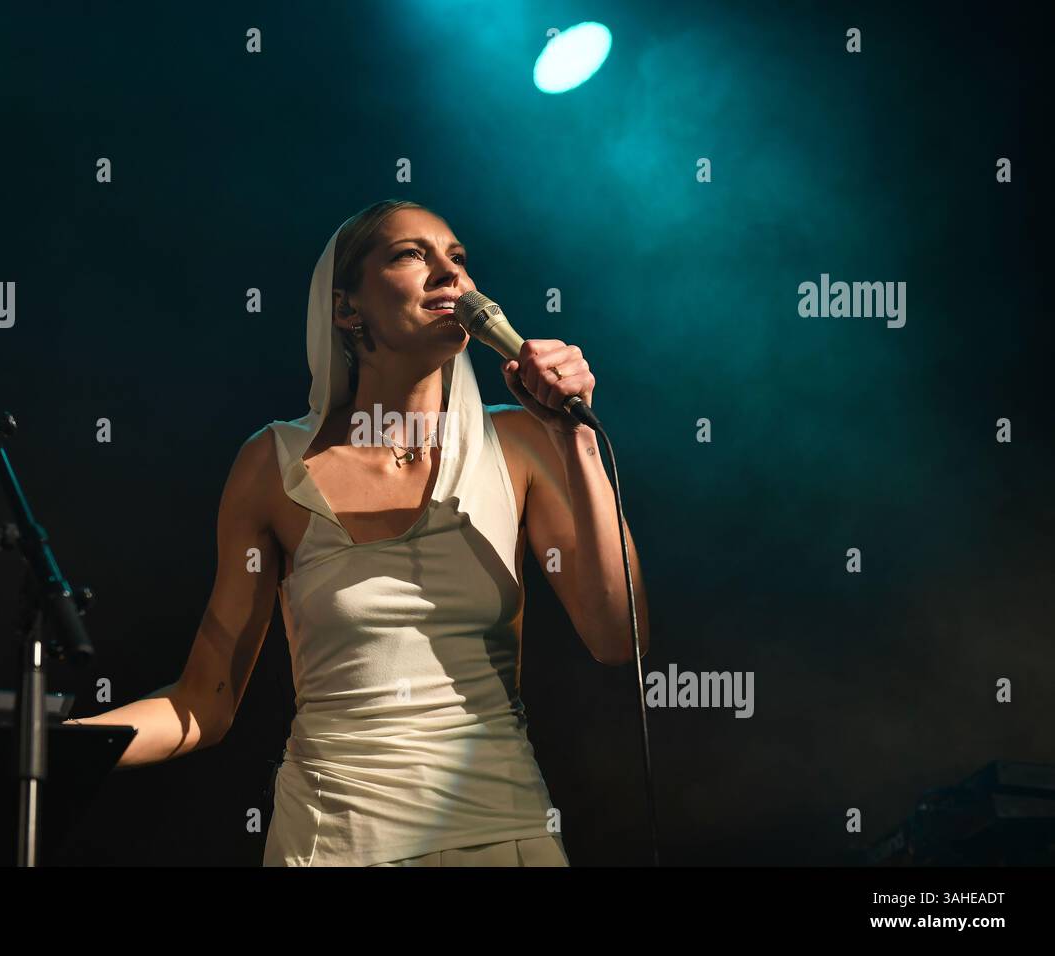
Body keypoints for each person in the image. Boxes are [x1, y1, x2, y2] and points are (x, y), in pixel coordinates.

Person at [70, 200, 650, 866]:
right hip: (331, 846)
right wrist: (64, 743)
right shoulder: (274, 464)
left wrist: (575, 437)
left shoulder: (520, 441)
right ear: (346, 308)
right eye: (411, 255)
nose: (450, 274)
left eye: (458, 259)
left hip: (504, 835)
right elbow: (204, 702)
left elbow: (617, 637)